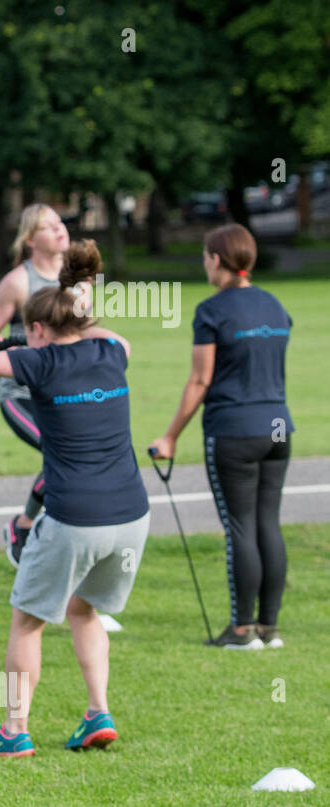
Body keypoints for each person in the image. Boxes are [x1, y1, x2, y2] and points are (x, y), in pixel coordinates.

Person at [0, 240, 147, 757]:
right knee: (83, 611)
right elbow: (102, 331)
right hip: (131, 517)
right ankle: (97, 713)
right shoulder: (113, 352)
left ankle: (13, 731)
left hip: (74, 517)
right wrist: (73, 305)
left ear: (39, 331)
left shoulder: (38, 363)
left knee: (27, 619)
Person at [149, 224, 293, 650]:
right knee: (269, 523)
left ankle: (242, 630)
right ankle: (269, 627)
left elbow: (200, 380)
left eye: (205, 256)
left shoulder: (211, 311)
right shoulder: (275, 304)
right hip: (279, 426)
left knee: (240, 527)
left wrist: (170, 436)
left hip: (235, 430)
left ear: (216, 259)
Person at [0, 204, 67, 565]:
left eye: (60, 223)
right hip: (21, 396)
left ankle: (26, 526)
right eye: (49, 227)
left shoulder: (77, 280)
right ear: (31, 239)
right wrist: (12, 357)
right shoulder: (19, 281)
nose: (60, 230)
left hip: (64, 393)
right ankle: (27, 528)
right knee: (62, 453)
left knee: (72, 454)